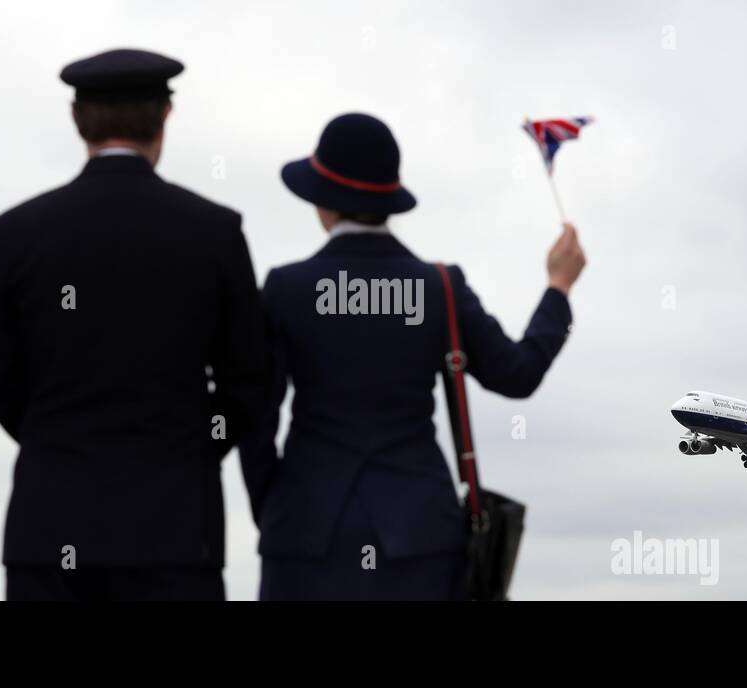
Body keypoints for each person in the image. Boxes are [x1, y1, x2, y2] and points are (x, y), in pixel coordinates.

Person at [239, 113, 586, 600]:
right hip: (420, 536)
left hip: (305, 534)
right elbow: (518, 374)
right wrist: (558, 288)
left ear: (322, 200)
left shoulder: (286, 288)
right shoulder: (439, 286)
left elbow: (253, 415)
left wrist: (272, 505)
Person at [0, 48, 266, 601]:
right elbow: (247, 384)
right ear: (164, 117)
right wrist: (189, 450)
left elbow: (3, 383)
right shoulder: (215, 231)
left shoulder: (20, 232)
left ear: (76, 119)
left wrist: (56, 440)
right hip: (176, 533)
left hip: (51, 524)